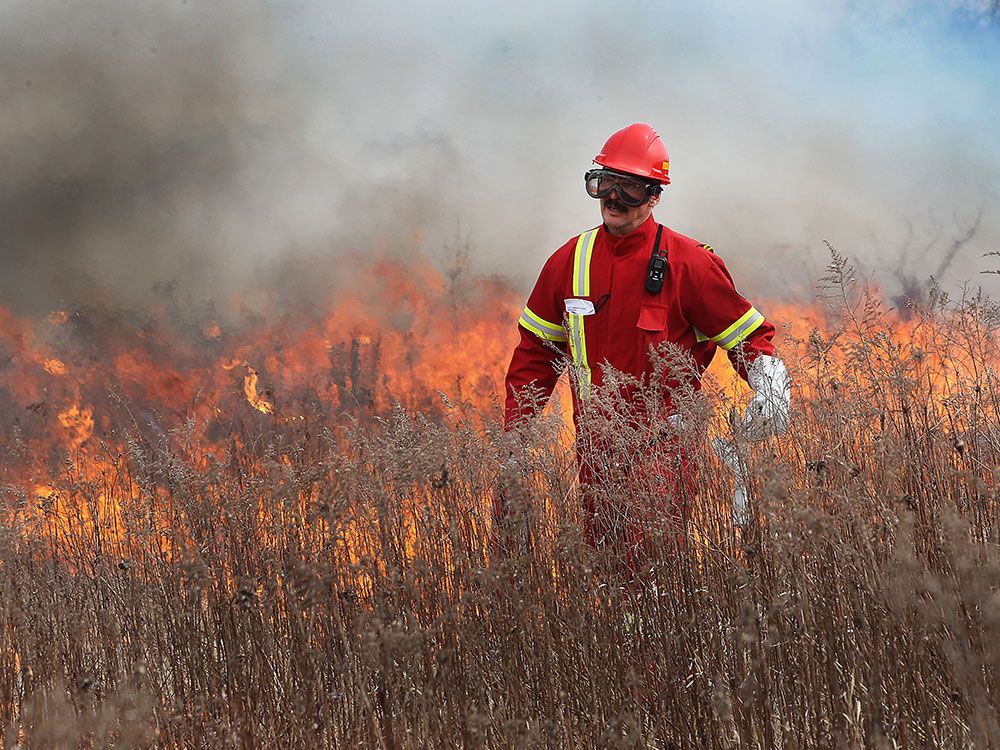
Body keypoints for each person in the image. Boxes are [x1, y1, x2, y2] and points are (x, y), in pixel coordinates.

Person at [499, 122, 790, 566]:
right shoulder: (567, 263)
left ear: (654, 196)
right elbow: (535, 358)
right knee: (604, 563)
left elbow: (747, 338)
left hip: (664, 446)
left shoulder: (690, 264)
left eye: (630, 188)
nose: (613, 198)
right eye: (604, 183)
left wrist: (769, 382)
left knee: (651, 561)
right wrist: (514, 440)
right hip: (594, 448)